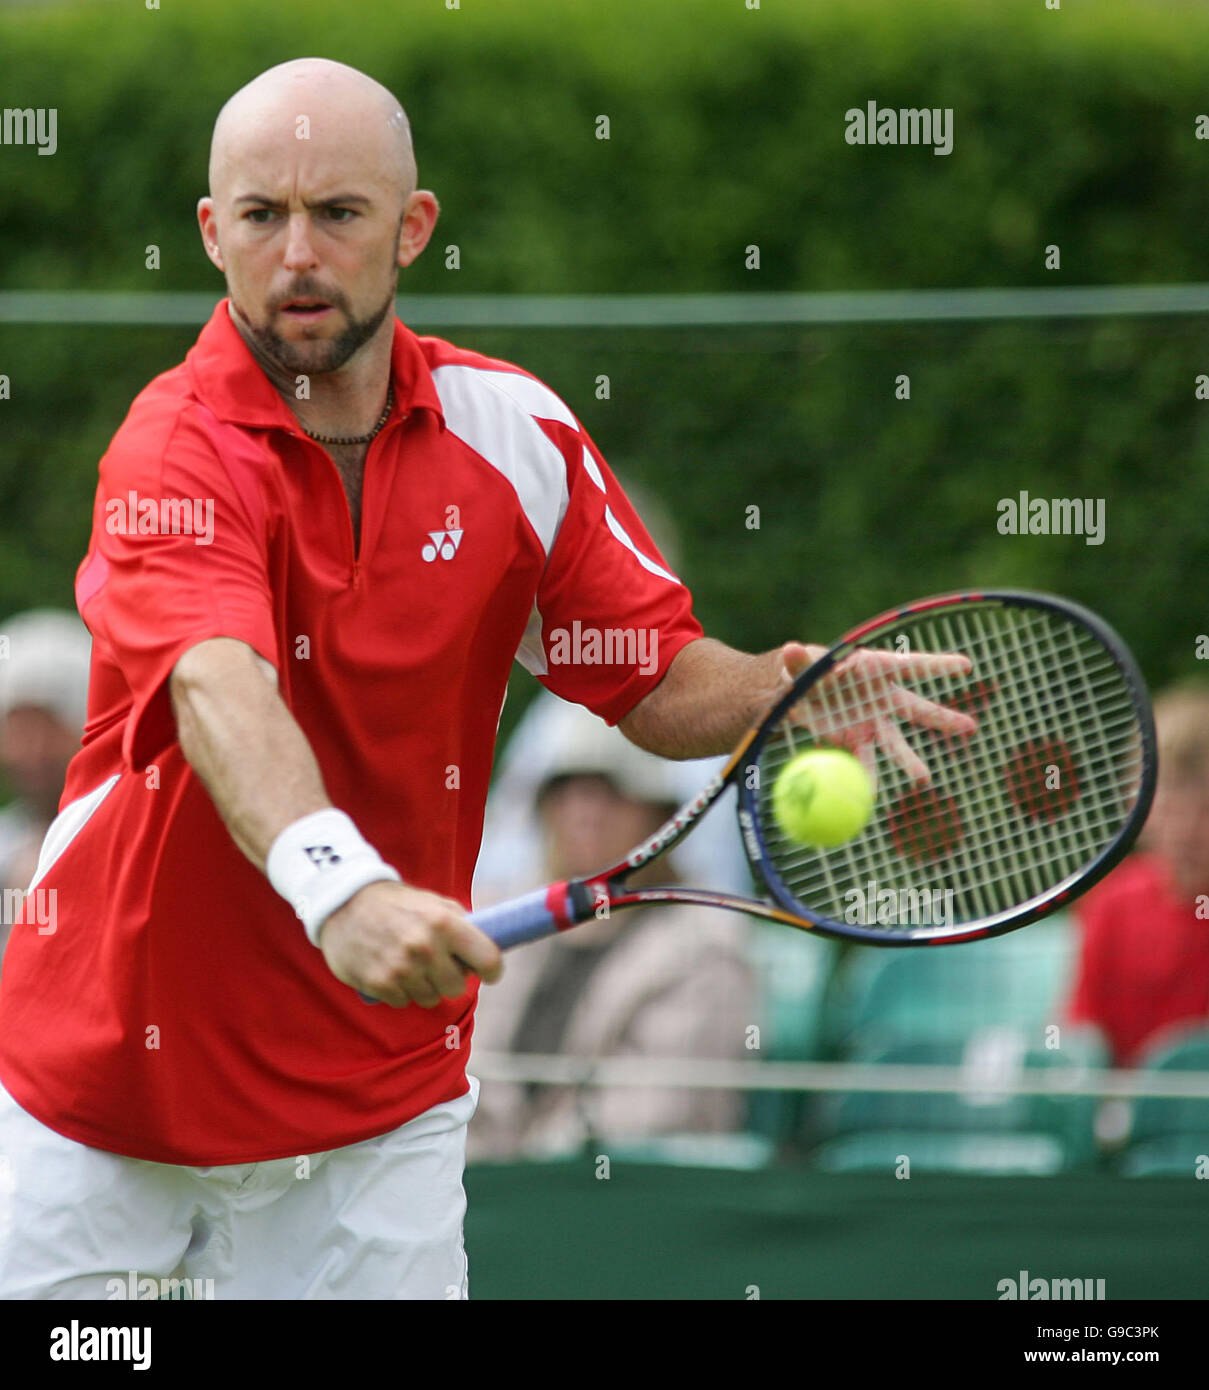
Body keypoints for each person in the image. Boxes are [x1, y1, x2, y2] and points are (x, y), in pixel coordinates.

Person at [0, 57, 970, 1300]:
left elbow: (650, 674)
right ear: (211, 233)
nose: (298, 254)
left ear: (412, 229)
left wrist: (775, 691)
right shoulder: (170, 450)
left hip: (377, 1106)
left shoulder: (512, 435)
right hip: (108, 1090)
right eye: (262, 215)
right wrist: (340, 890)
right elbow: (217, 683)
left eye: (339, 214)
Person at [469, 699, 755, 1160]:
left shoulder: (708, 948)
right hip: (483, 1195)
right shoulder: (500, 926)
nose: (586, 814)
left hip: (623, 1206)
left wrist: (514, 1176)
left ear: (659, 819)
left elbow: (651, 1118)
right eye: (567, 793)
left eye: (611, 794)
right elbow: (465, 1077)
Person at [1066, 679, 1209, 1065]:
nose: (1186, 830)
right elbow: (1082, 1036)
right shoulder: (1111, 903)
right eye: (1170, 807)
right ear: (1138, 806)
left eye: (1206, 810)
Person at [0, 610, 91, 965]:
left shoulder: (129, 842)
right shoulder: (8, 844)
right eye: (19, 730)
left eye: (50, 727)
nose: (33, 751)